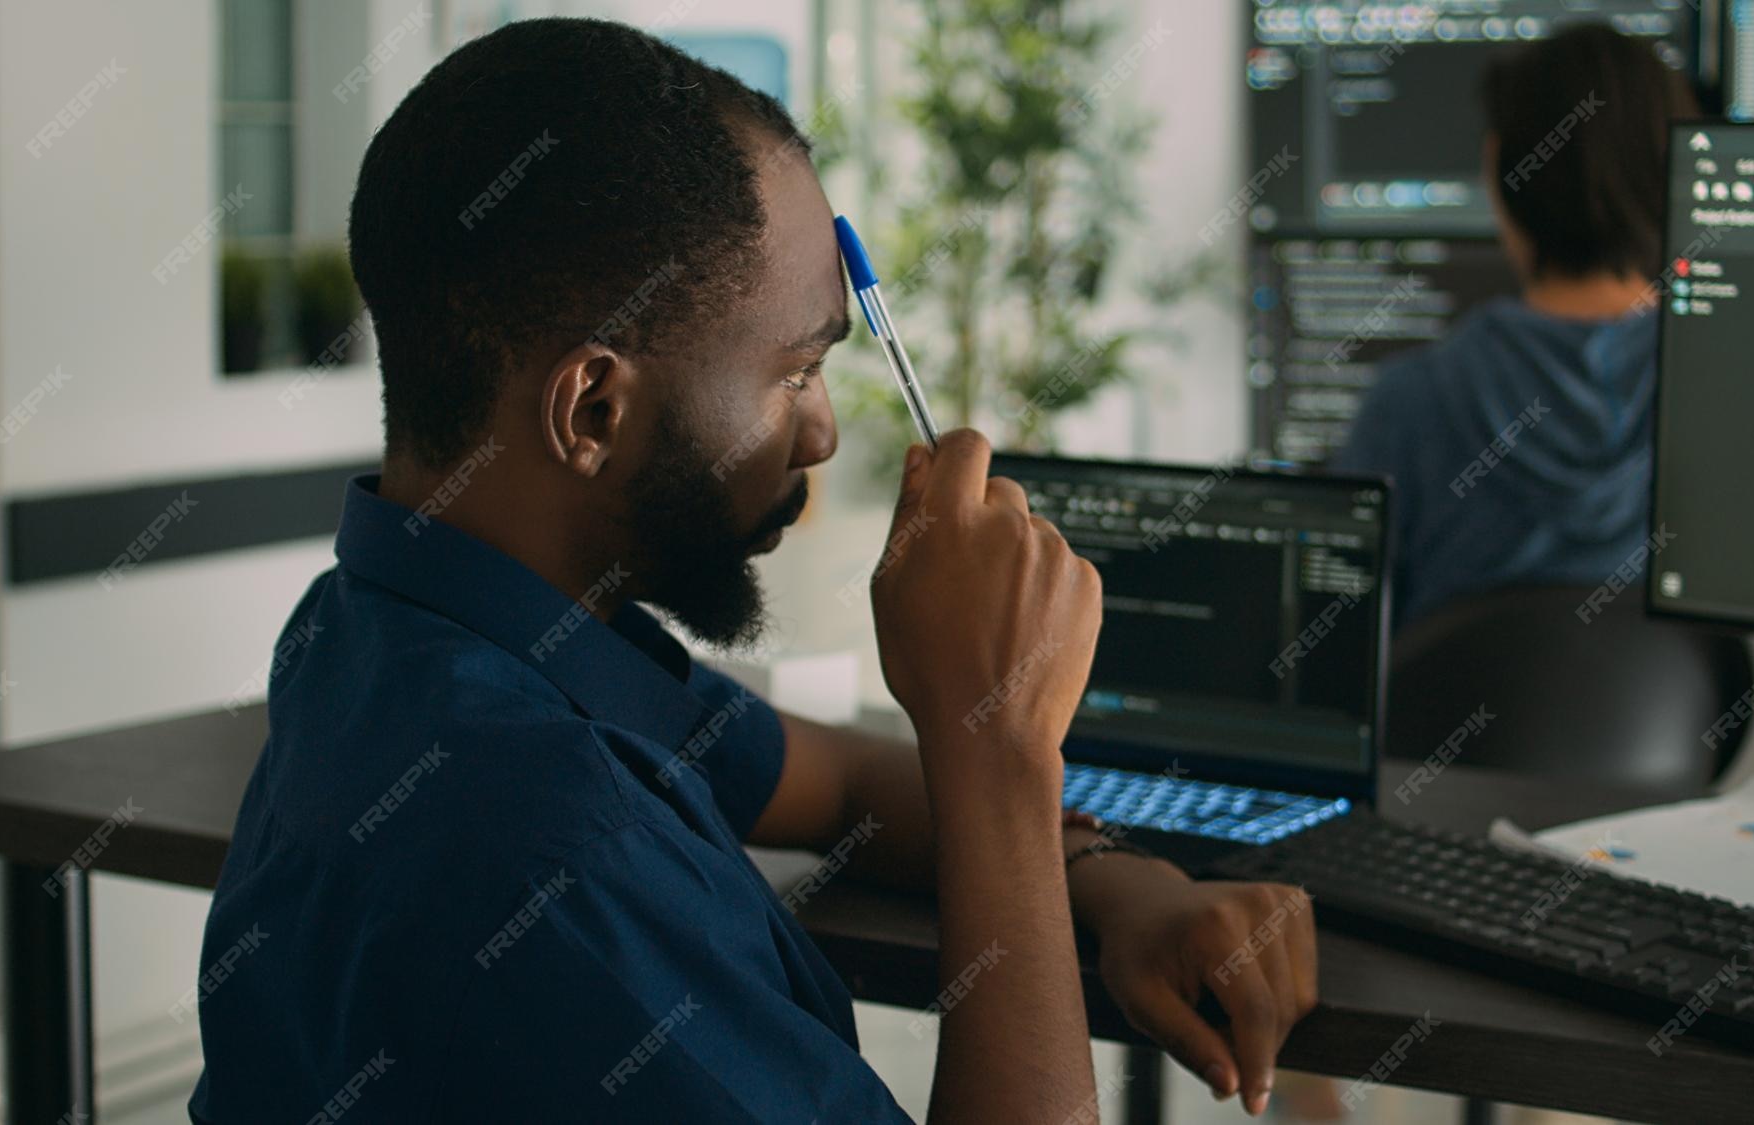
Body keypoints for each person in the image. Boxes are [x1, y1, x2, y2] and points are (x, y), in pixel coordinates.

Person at [190, 18, 1314, 1123]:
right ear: (592, 408)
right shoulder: (553, 849)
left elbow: (839, 787)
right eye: (793, 373)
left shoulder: (396, 626)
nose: (821, 433)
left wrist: (1122, 882)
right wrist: (999, 744)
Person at [1334, 24, 1700, 631]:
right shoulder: (1731, 399)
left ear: (1499, 173)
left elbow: (1338, 645)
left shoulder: (1406, 409)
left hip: (1449, 726)